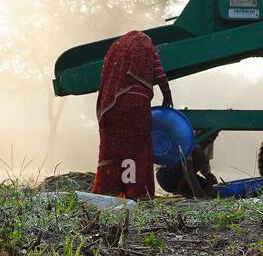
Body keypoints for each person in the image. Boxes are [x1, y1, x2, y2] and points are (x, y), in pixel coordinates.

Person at [92, 30, 173, 199]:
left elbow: (104, 78)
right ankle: (135, 194)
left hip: (111, 108)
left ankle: (110, 193)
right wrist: (167, 96)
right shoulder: (145, 44)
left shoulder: (116, 49)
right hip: (136, 108)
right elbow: (160, 74)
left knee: (114, 151)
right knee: (137, 151)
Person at [156, 132, 219, 198]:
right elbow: (188, 170)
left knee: (210, 190)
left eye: (217, 133)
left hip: (183, 176)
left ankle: (183, 190)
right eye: (213, 134)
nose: (216, 135)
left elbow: (205, 167)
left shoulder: (209, 142)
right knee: (199, 155)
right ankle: (179, 190)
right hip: (167, 176)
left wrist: (210, 178)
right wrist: (199, 194)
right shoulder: (189, 139)